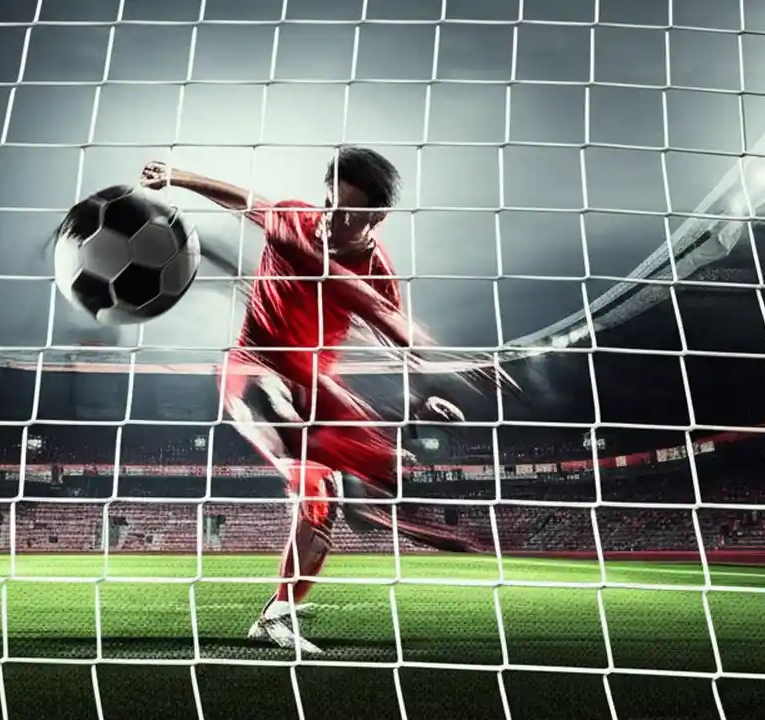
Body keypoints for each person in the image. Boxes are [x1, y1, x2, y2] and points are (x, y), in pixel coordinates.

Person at [141, 147, 501, 653]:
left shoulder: (377, 271)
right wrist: (177, 176)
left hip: (314, 384)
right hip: (254, 369)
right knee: (316, 481)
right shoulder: (293, 220)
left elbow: (391, 334)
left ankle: (336, 540)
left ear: (376, 217)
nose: (332, 219)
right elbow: (243, 200)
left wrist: (422, 399)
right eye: (330, 203)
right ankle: (285, 598)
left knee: (386, 462)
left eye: (348, 213)